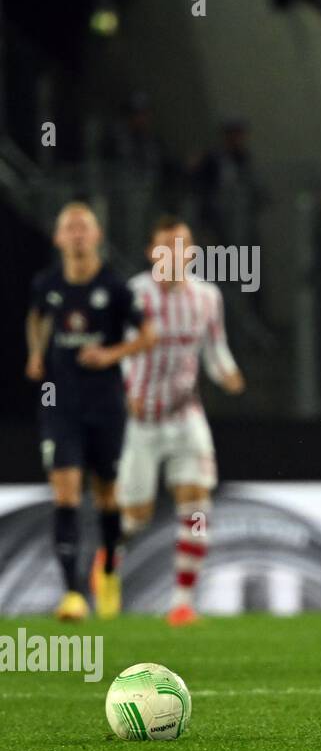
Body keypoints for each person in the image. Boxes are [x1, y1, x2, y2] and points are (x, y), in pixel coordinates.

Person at [25, 202, 157, 621]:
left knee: (107, 496)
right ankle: (72, 594)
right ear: (59, 238)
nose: (78, 234)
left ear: (97, 236)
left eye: (85, 227)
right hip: (61, 404)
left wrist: (110, 354)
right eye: (70, 228)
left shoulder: (115, 288)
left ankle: (110, 574)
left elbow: (149, 335)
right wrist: (35, 354)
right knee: (64, 491)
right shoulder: (46, 283)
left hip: (106, 405)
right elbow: (37, 318)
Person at [118, 216, 246, 626]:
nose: (175, 255)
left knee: (195, 506)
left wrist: (227, 372)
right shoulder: (134, 296)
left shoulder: (207, 297)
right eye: (165, 247)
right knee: (133, 519)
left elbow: (214, 350)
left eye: (182, 246)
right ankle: (109, 552)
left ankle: (182, 603)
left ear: (191, 253)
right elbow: (117, 349)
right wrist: (127, 391)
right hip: (143, 421)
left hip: (186, 415)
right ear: (151, 253)